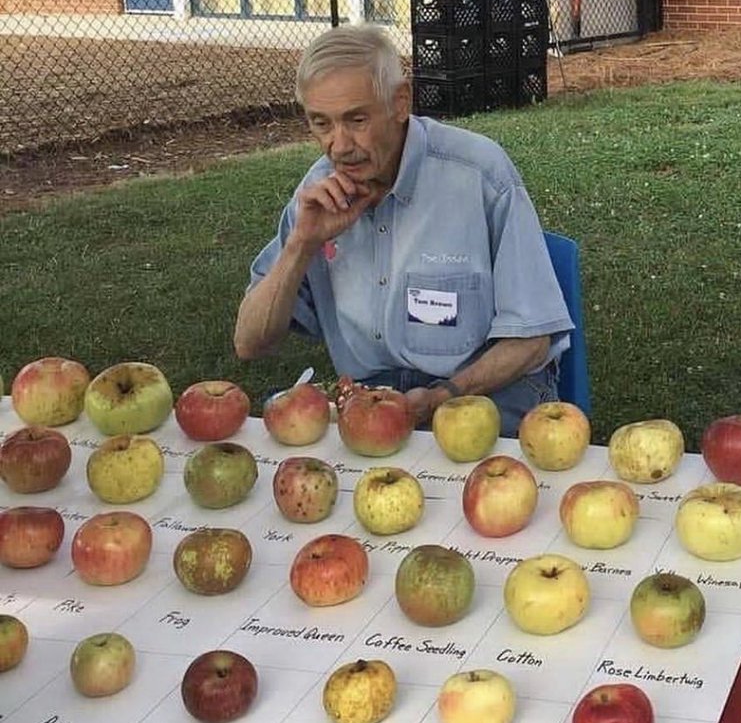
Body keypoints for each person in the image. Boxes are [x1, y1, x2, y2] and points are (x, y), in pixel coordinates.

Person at [234, 22, 573, 436]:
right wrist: (301, 245)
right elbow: (249, 343)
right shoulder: (318, 194)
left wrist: (442, 397)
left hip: (482, 395)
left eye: (356, 120)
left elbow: (532, 339)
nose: (339, 146)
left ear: (400, 102)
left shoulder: (478, 175)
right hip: (370, 403)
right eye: (321, 124)